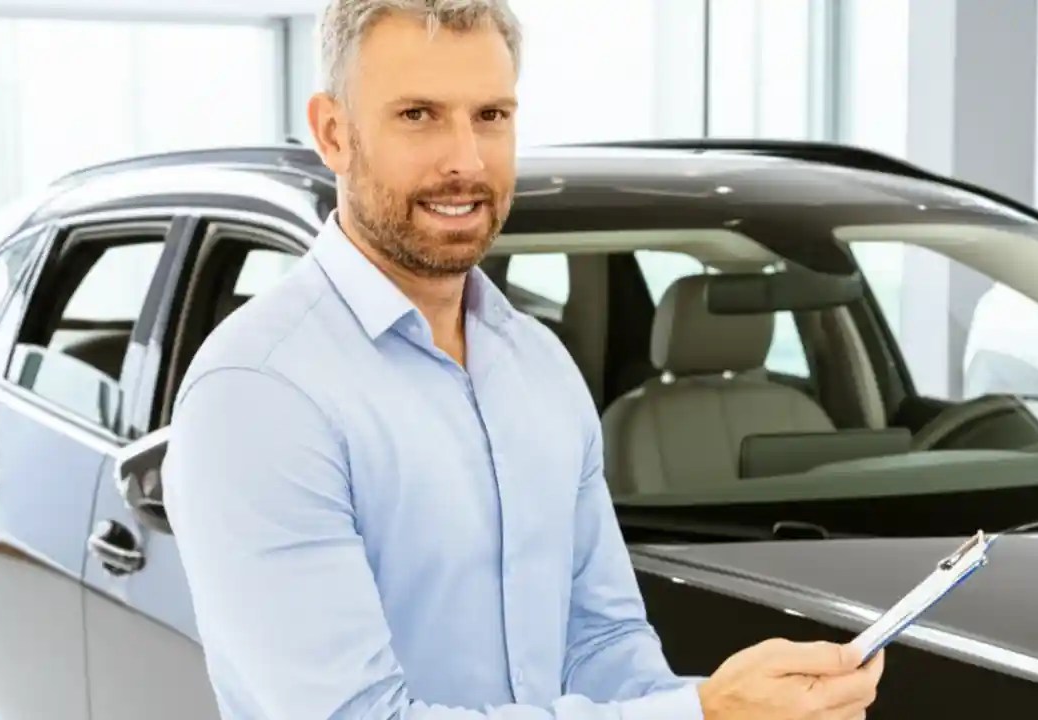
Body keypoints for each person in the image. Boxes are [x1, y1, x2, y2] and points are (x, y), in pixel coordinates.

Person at [161, 1, 886, 718]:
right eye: (418, 115)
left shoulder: (537, 364)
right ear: (333, 133)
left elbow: (601, 644)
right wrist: (702, 715)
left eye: (490, 115)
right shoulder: (259, 394)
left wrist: (749, 711)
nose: (465, 160)